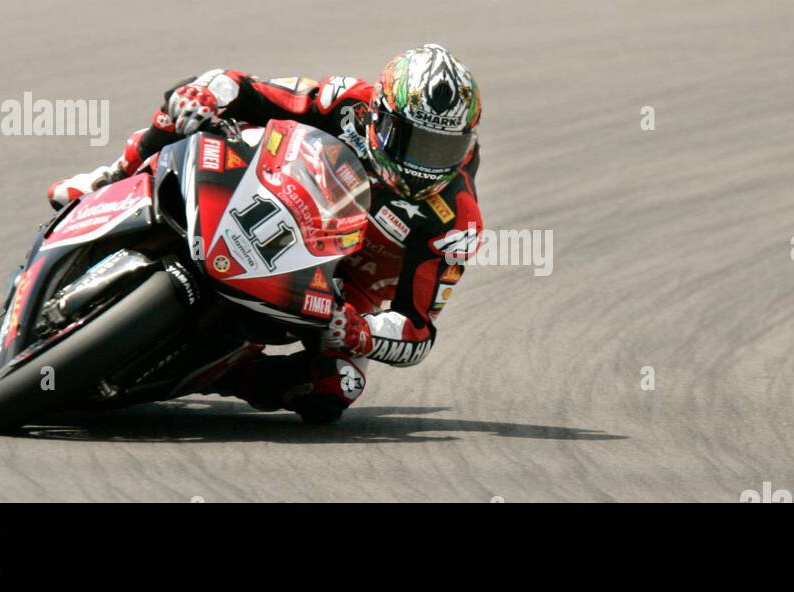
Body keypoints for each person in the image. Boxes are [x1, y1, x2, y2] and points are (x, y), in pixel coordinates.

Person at [47, 44, 483, 423]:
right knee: (189, 107)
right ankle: (114, 176)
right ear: (379, 114)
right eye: (413, 141)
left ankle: (218, 375)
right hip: (272, 198)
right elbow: (246, 88)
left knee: (336, 388)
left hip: (341, 287)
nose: (425, 163)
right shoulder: (346, 101)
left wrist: (360, 332)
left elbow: (417, 331)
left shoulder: (455, 224)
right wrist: (206, 94)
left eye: (442, 148)